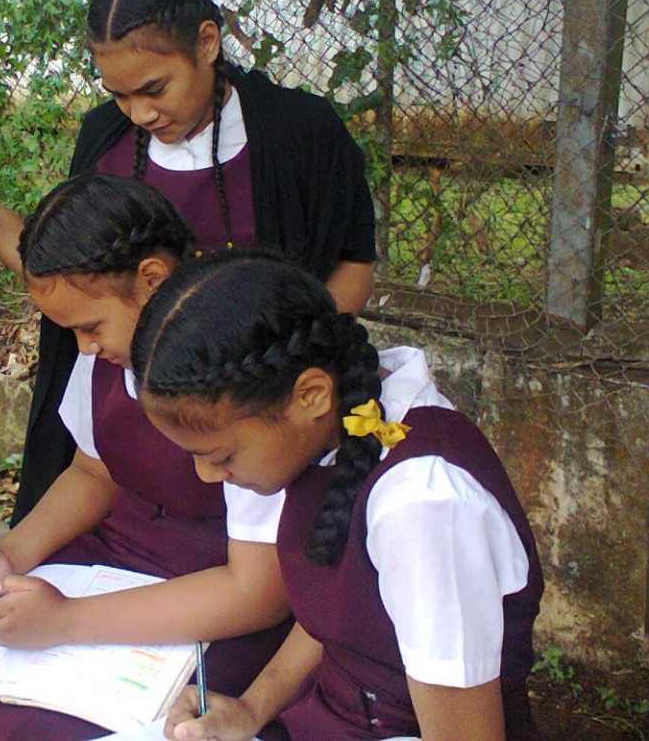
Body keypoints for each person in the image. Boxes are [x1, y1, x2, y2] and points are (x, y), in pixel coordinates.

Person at [0, 0, 376, 524]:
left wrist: (276, 368)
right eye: (119, 96)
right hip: (124, 434)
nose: (141, 114)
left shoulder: (300, 133)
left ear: (206, 43)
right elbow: (82, 285)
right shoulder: (104, 139)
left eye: (155, 89)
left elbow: (354, 264)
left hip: (253, 421)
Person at [0, 174, 293, 741]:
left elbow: (257, 593)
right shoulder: (110, 354)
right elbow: (92, 471)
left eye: (90, 327)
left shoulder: (238, 377)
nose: (84, 347)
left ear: (152, 280)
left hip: (213, 606)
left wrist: (65, 623)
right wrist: (10, 553)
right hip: (106, 565)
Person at [129, 251, 543, 741]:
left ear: (310, 395)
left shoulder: (424, 508)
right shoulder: (335, 427)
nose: (206, 475)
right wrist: (248, 710)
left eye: (220, 454)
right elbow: (346, 613)